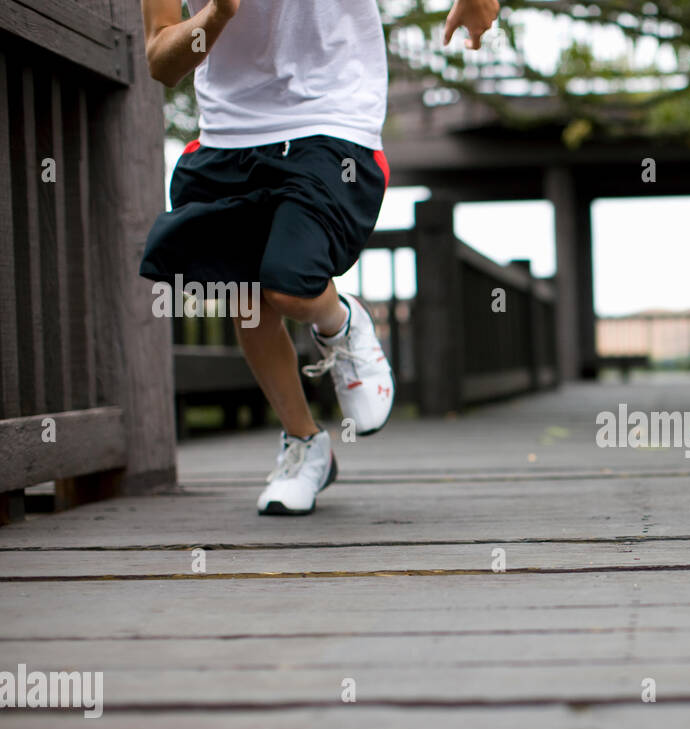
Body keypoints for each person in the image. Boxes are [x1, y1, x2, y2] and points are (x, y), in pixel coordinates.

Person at [139, 0, 500, 514]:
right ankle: (306, 445)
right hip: (230, 133)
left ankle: (342, 321)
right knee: (246, 298)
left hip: (330, 114)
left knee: (289, 283)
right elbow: (162, 61)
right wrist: (217, 13)